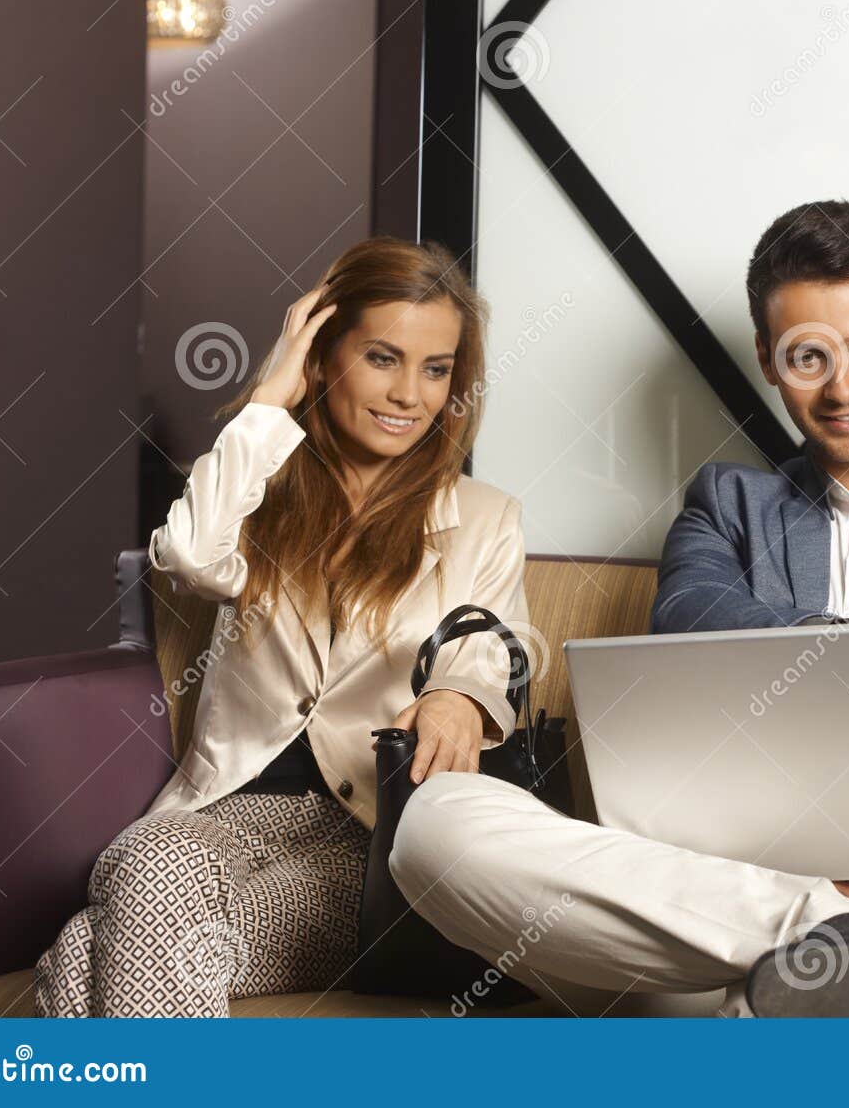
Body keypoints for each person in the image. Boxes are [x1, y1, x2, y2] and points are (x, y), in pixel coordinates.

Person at [388, 201, 849, 1017]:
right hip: (709, 907)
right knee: (437, 822)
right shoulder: (727, 506)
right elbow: (693, 621)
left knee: (745, 1015)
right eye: (807, 356)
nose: (844, 384)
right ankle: (844, 941)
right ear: (767, 358)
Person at [34, 237, 527, 1017]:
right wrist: (270, 400)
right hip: (225, 808)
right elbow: (191, 556)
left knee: (83, 952)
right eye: (382, 358)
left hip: (364, 839)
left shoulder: (484, 517)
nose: (409, 394)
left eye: (436, 369)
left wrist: (460, 697)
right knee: (150, 864)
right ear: (323, 355)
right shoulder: (258, 488)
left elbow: (492, 641)